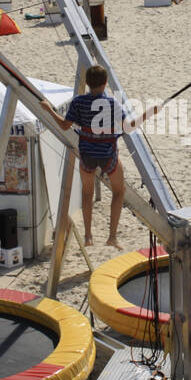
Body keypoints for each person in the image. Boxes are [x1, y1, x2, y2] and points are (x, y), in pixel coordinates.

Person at [38, 67, 156, 249]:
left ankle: (88, 236)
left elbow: (64, 125)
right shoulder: (112, 103)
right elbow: (129, 127)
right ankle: (112, 237)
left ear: (87, 83)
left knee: (87, 193)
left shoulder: (79, 102)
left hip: (87, 154)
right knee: (119, 192)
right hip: (108, 154)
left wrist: (49, 110)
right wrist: (148, 113)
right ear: (105, 82)